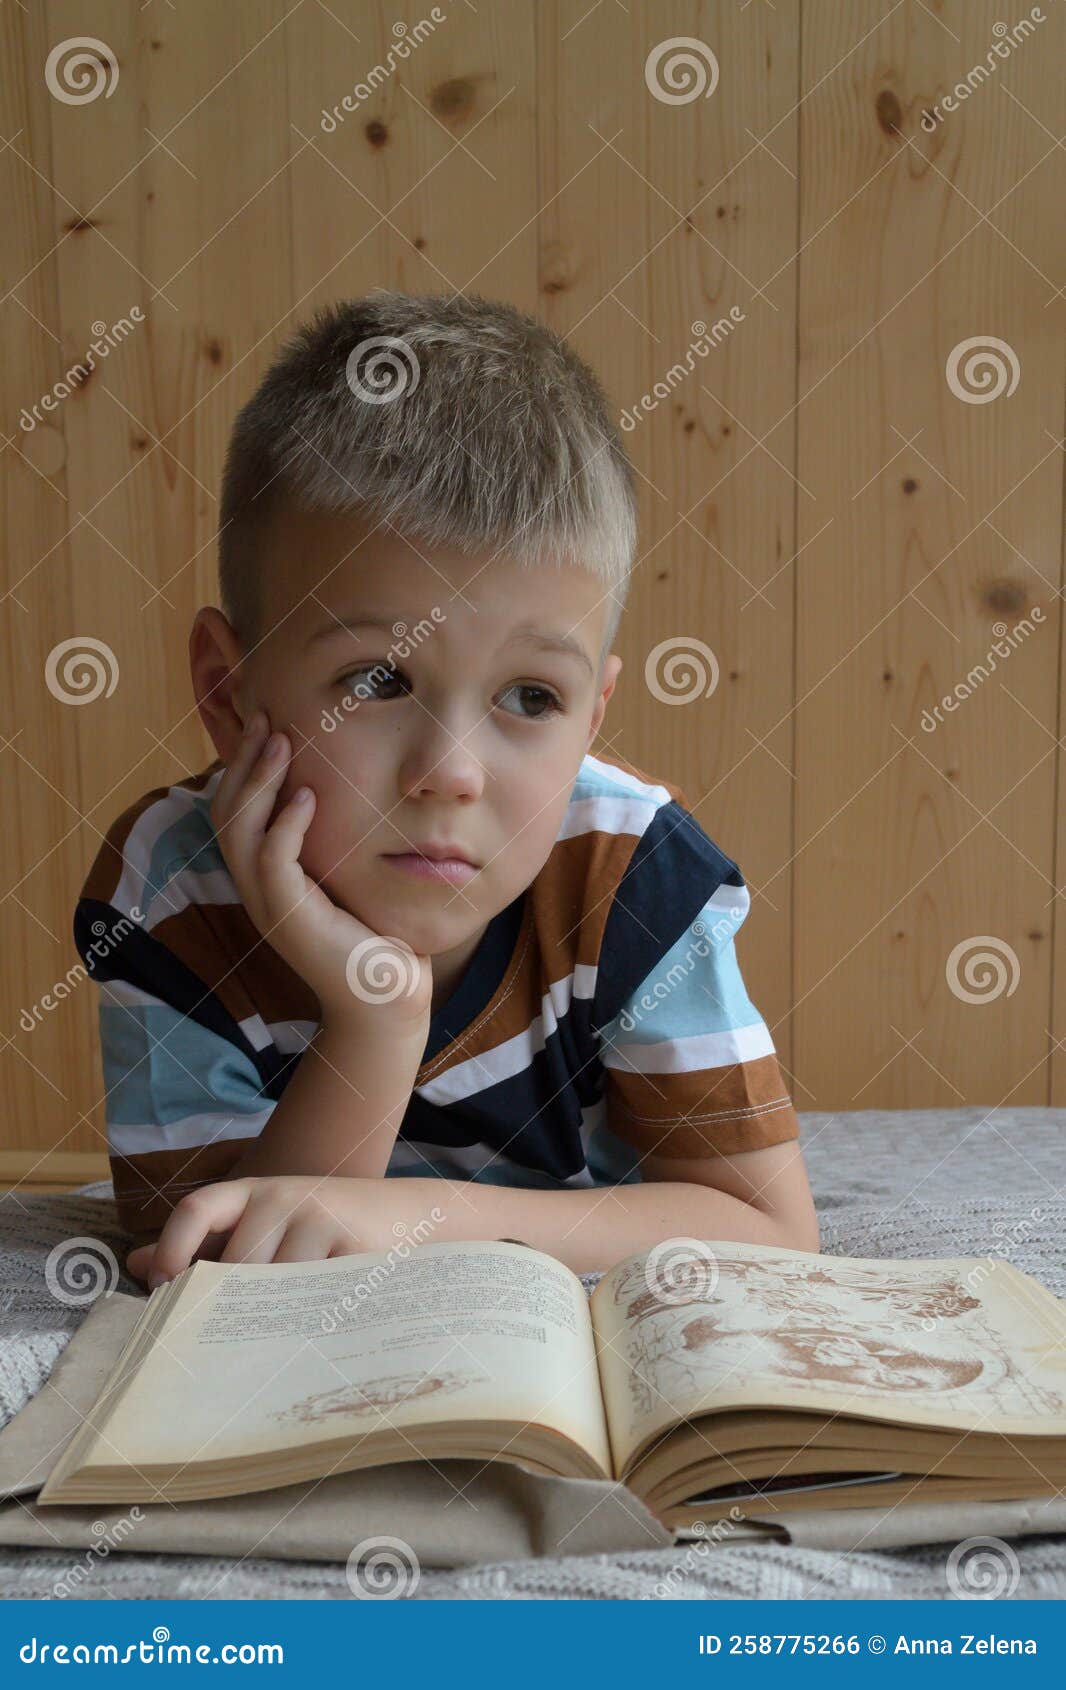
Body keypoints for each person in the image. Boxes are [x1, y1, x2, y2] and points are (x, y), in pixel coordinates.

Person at [72, 290, 819, 1289]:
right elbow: (207, 1266)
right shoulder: (168, 893)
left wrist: (413, 1215)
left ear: (591, 717)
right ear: (227, 686)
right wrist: (375, 1022)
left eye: (530, 696)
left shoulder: (631, 871)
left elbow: (767, 1224)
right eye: (378, 680)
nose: (451, 773)